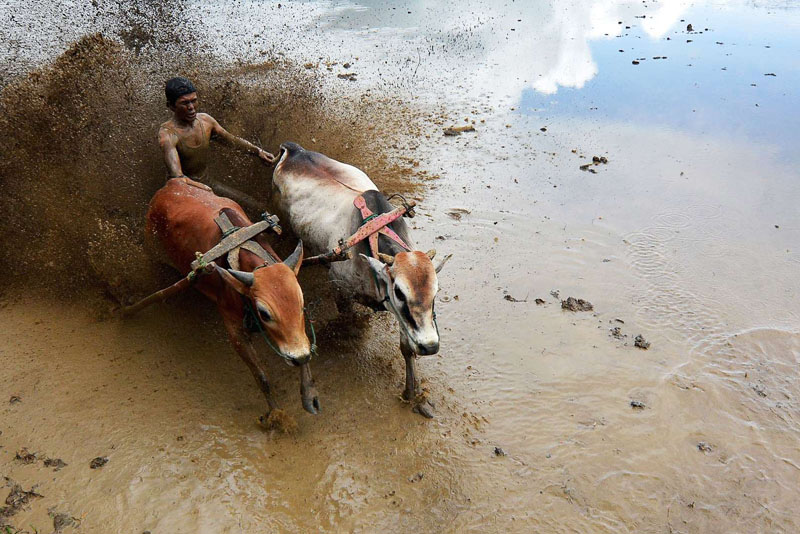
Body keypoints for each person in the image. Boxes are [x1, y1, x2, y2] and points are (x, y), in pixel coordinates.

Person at [157, 77, 274, 208]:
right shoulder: (167, 134)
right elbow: (177, 178)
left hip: (209, 185)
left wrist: (258, 151)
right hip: (184, 194)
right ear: (171, 106)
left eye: (194, 101)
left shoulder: (206, 121)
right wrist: (205, 191)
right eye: (184, 103)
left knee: (256, 208)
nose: (191, 107)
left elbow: (232, 141)